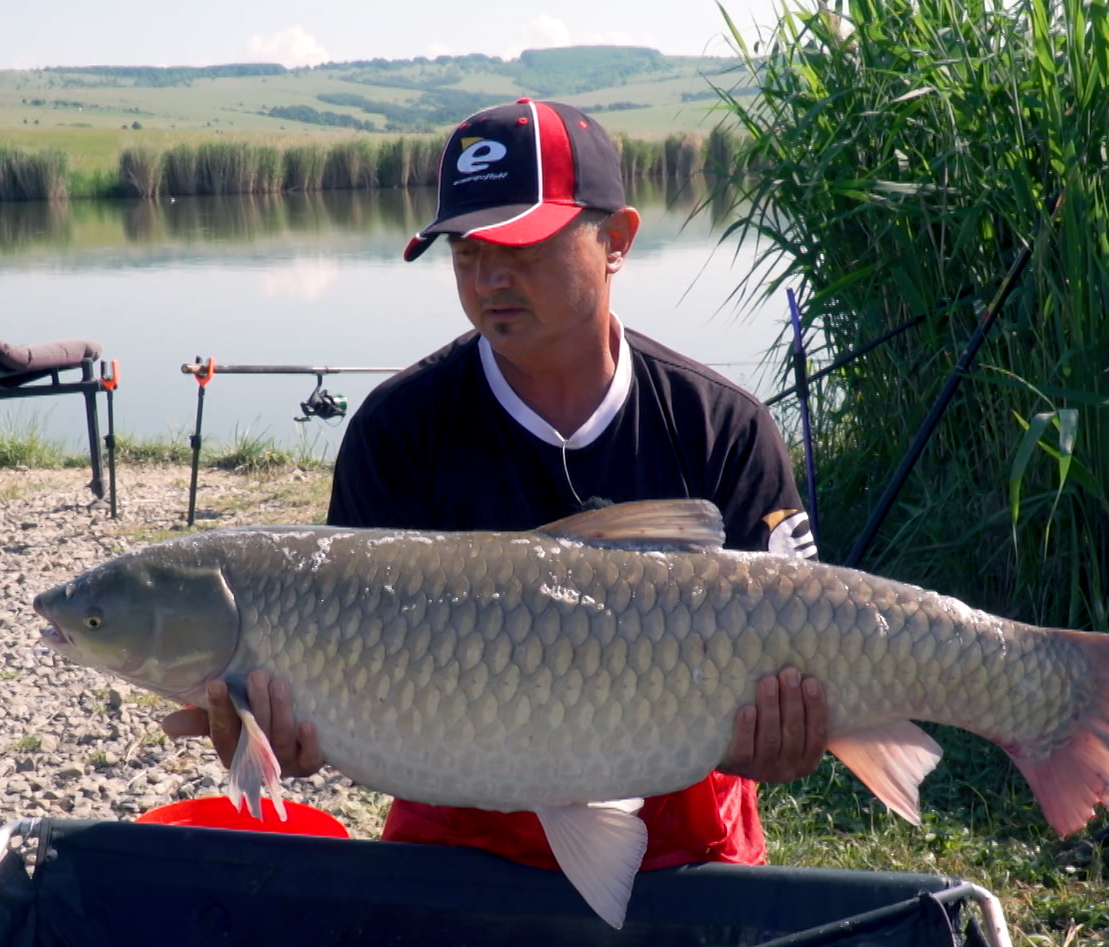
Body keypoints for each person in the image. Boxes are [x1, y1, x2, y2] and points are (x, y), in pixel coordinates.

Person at [162, 99, 829, 873]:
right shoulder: (398, 431)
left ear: (616, 241)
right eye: (467, 251)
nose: (491, 278)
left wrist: (792, 738)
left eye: (526, 245)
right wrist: (289, 738)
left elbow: (808, 652)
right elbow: (334, 701)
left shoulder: (724, 427)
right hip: (460, 838)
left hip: (687, 842)